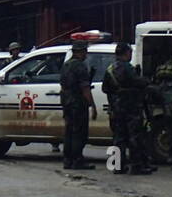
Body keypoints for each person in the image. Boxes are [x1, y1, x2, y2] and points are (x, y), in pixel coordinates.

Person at [102, 42, 155, 175]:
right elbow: (138, 82)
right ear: (127, 53)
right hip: (131, 107)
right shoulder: (127, 68)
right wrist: (147, 81)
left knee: (118, 137)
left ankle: (118, 166)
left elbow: (105, 88)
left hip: (117, 107)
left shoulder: (110, 68)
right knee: (134, 136)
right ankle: (137, 166)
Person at [59, 39, 97, 170]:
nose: (86, 54)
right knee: (79, 132)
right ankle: (77, 160)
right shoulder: (80, 66)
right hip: (77, 103)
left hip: (67, 102)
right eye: (85, 51)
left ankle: (67, 159)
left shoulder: (66, 65)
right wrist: (93, 106)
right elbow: (85, 89)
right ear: (80, 52)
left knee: (69, 131)